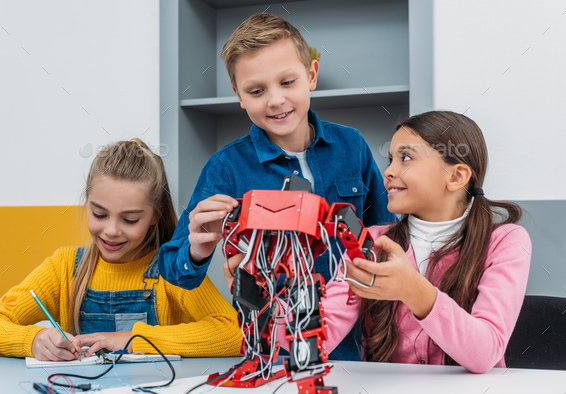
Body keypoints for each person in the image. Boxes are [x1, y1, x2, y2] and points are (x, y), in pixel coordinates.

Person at [158, 13, 393, 360]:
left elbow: (388, 233)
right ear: (239, 95)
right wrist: (197, 249)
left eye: (287, 82)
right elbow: (175, 272)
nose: (275, 100)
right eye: (256, 90)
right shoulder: (225, 168)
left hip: (359, 346)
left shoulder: (352, 146)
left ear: (311, 76)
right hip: (273, 351)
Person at [226, 111, 531, 373]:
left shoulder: (505, 242)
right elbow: (320, 335)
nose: (388, 171)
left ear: (456, 177)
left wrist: (415, 291)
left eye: (406, 157)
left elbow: (485, 353)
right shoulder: (372, 241)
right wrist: (255, 298)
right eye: (391, 159)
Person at [0, 139, 242, 361]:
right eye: (99, 214)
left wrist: (133, 339)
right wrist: (32, 340)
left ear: (155, 215)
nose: (112, 230)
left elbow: (235, 333)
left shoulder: (172, 270)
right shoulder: (64, 267)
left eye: (129, 219)